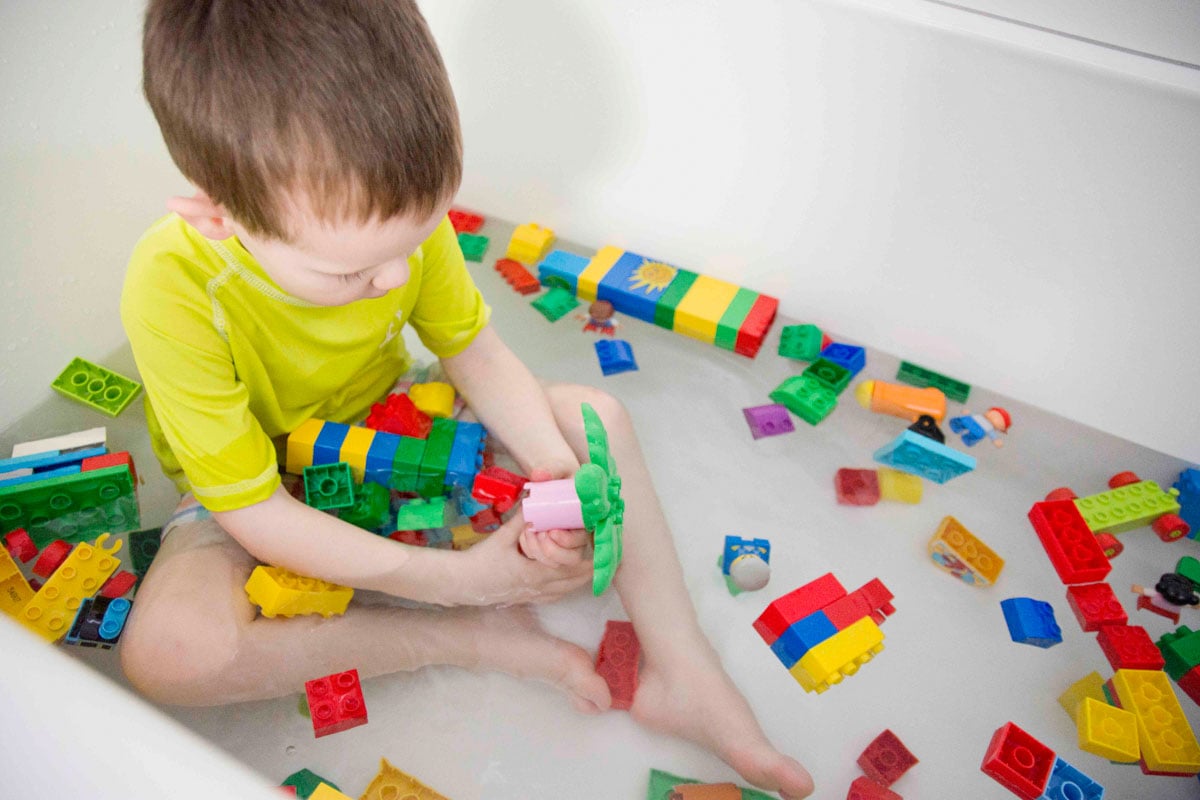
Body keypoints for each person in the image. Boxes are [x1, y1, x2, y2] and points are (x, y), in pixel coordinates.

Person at [119, 2, 814, 798]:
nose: (387, 281)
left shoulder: (391, 210)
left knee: (597, 422)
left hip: (396, 422)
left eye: (409, 247)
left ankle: (684, 667)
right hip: (255, 492)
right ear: (215, 217)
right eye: (348, 272)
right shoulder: (171, 287)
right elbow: (253, 510)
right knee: (170, 654)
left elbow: (474, 352)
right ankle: (475, 641)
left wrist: (555, 481)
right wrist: (460, 587)